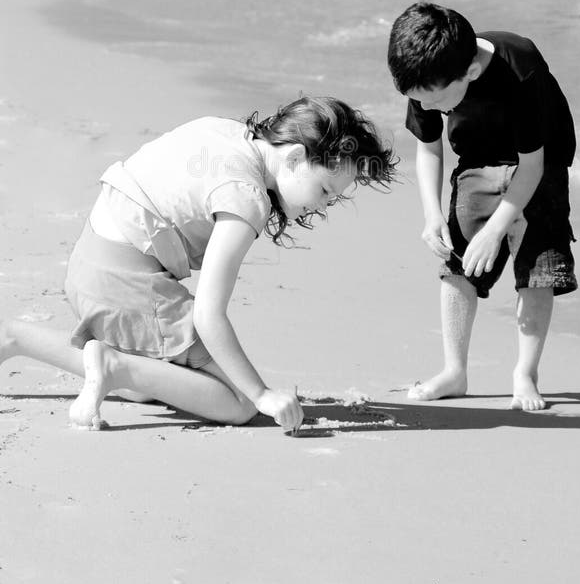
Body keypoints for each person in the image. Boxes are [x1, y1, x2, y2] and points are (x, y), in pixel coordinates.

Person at [1, 96, 395, 431]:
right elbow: (210, 314)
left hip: (89, 265)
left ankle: (16, 337)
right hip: (125, 284)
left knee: (155, 382)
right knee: (237, 403)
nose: (323, 205)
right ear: (294, 157)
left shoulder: (225, 132)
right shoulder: (246, 200)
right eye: (325, 189)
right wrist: (261, 394)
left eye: (333, 198)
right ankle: (114, 364)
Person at [387, 2, 577, 411]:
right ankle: (454, 371)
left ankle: (525, 372)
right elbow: (428, 148)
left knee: (537, 265)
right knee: (458, 263)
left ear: (470, 73)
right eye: (419, 100)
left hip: (540, 159)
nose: (431, 109)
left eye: (437, 102)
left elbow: (532, 166)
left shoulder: (519, 69)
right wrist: (432, 213)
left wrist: (497, 230)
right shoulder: (425, 72)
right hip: (476, 156)